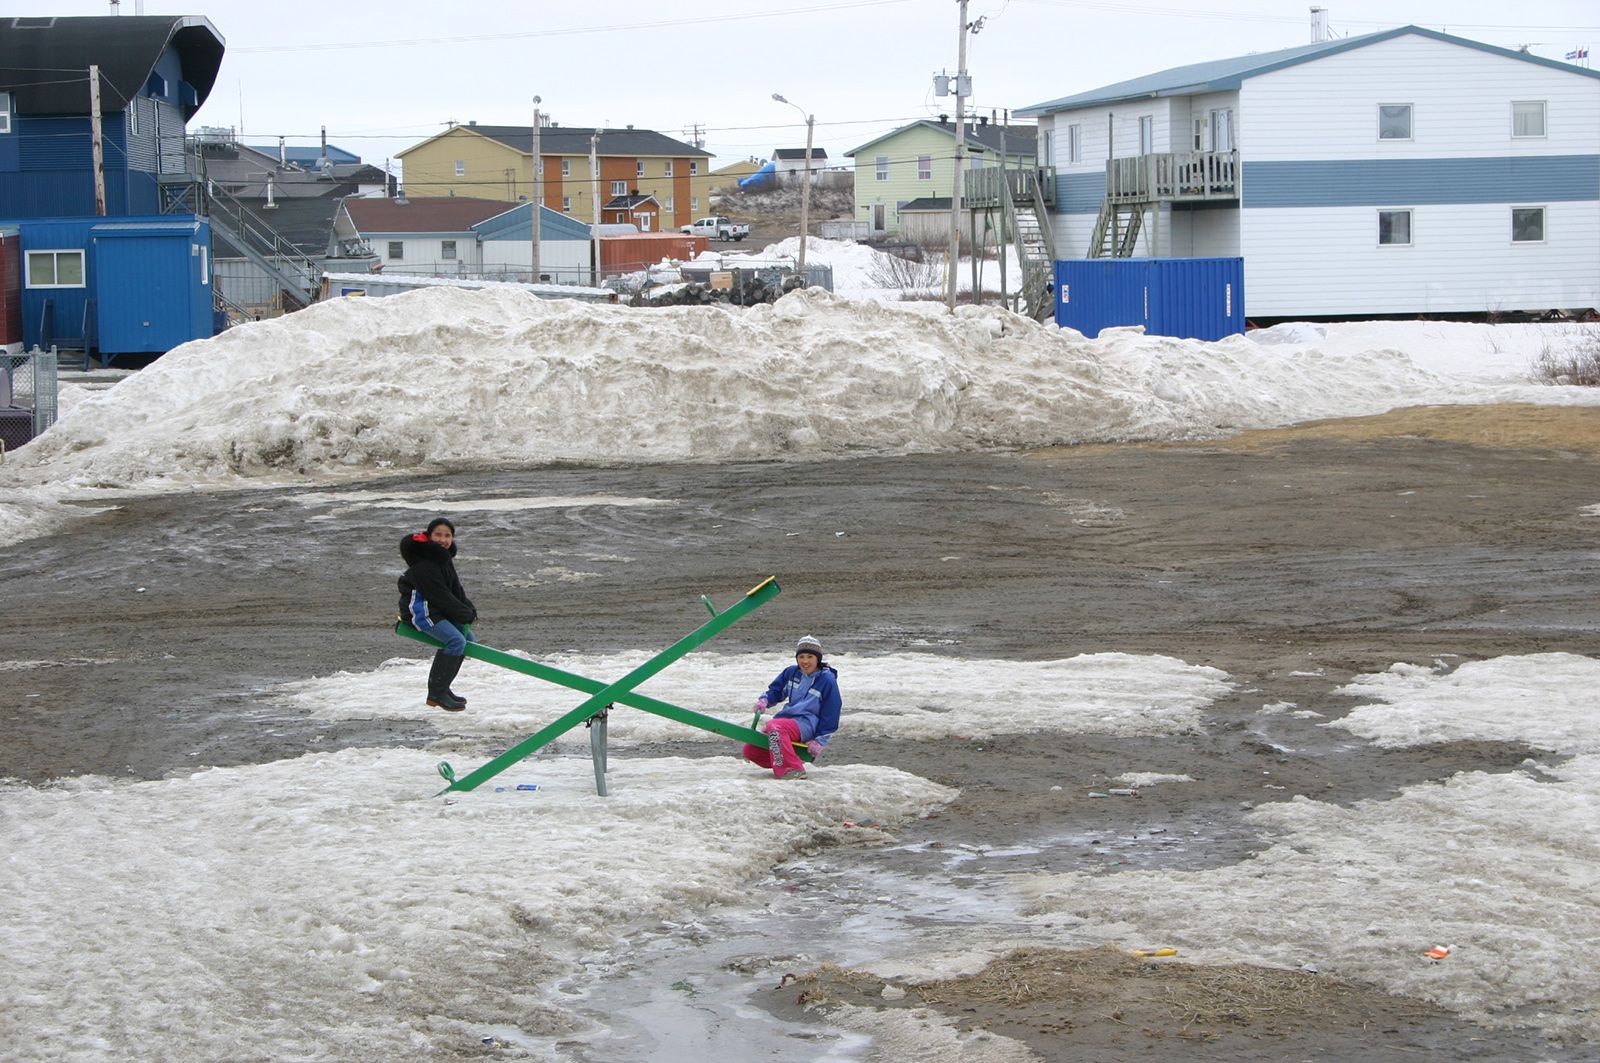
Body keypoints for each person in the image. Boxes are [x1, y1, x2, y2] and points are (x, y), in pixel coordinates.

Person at [397, 517, 477, 712]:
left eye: (447, 535)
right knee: (456, 641)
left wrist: (468, 609)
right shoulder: (425, 564)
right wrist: (461, 612)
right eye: (438, 535)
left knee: (468, 639)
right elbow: (438, 594)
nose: (443, 539)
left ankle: (444, 687)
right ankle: (436, 693)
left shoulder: (443, 559)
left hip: (435, 609)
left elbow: (454, 589)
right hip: (420, 610)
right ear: (429, 536)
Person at [742, 635, 841, 780]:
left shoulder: (826, 680)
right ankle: (790, 757)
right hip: (787, 720)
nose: (805, 661)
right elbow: (776, 691)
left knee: (775, 726)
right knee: (751, 750)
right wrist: (764, 700)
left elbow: (832, 711)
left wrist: (820, 740)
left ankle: (792, 769)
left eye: (810, 657)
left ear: (817, 658)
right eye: (801, 656)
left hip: (807, 723)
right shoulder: (791, 673)